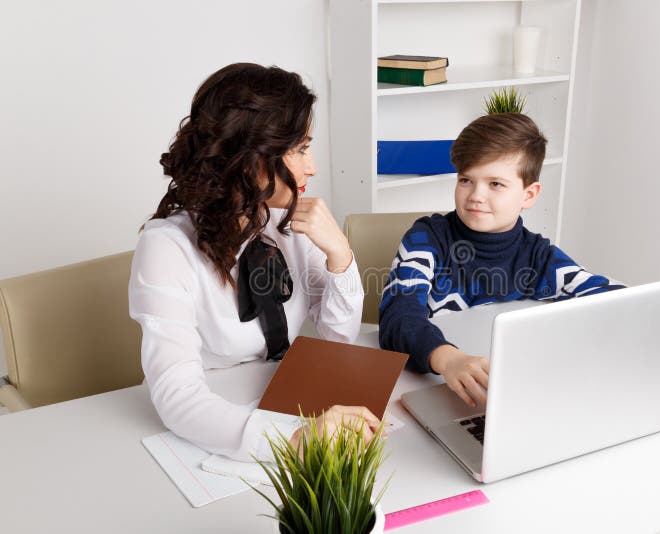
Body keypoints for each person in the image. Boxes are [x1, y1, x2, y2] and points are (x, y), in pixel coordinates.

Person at [129, 63, 377, 462]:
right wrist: (294, 442)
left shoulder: (287, 219)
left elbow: (338, 342)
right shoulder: (166, 248)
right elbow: (177, 396)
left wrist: (340, 256)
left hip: (284, 394)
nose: (312, 167)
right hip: (213, 424)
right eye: (299, 150)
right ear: (249, 156)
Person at [378, 113, 624, 408]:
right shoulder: (426, 238)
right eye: (466, 180)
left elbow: (609, 297)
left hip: (511, 391)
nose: (476, 196)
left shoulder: (537, 255)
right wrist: (449, 358)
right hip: (433, 386)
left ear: (529, 195)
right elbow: (398, 318)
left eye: (495, 184)